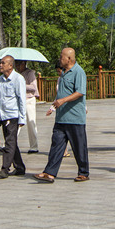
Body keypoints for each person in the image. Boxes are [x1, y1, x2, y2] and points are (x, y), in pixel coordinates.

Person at [34, 47, 89, 183]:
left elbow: (80, 92)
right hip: (61, 117)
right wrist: (54, 106)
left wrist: (63, 100)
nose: (60, 59)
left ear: (69, 59)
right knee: (56, 145)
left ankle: (83, 172)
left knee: (78, 146)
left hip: (75, 118)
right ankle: (49, 172)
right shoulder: (63, 73)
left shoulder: (78, 72)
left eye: (62, 56)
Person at [0, 55, 27, 178]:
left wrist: (22, 118)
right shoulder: (0, 80)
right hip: (2, 115)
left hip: (13, 115)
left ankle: (5, 169)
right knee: (12, 142)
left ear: (10, 65)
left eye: (3, 63)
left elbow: (21, 99)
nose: (0, 65)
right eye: (0, 63)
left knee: (9, 143)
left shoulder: (18, 79)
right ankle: (20, 167)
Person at [18, 60, 41, 154]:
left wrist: (22, 84)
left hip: (29, 99)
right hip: (20, 100)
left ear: (23, 64)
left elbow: (33, 87)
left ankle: (34, 146)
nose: (17, 66)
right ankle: (9, 144)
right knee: (16, 122)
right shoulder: (17, 74)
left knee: (31, 122)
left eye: (18, 64)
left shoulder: (30, 73)